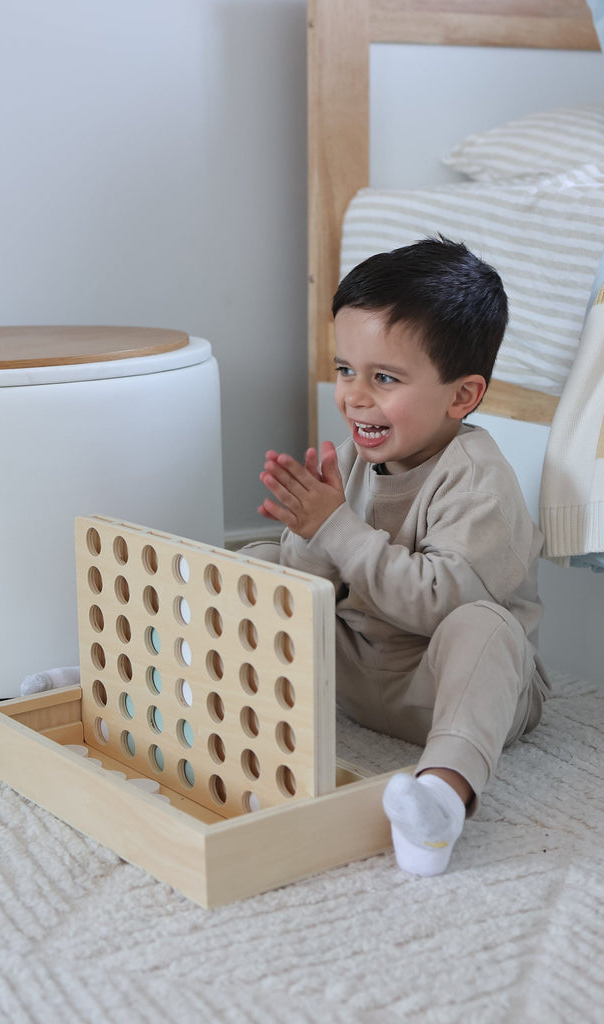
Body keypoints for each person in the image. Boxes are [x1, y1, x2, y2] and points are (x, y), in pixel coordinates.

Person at [247, 236, 548, 877]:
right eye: (345, 369)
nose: (355, 396)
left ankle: (440, 799)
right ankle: (147, 672)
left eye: (384, 378)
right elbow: (310, 587)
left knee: (484, 626)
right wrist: (310, 532)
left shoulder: (477, 478)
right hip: (360, 672)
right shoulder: (362, 455)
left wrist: (337, 528)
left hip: (447, 684)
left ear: (462, 396)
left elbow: (438, 604)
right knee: (256, 560)